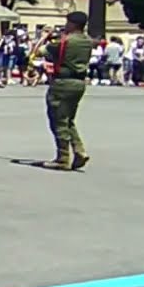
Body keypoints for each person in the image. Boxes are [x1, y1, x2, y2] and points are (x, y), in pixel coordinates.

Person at [39, 11, 93, 171]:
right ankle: (79, 150)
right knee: (68, 119)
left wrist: (45, 36)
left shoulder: (65, 41)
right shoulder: (87, 41)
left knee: (58, 119)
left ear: (73, 24)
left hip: (62, 82)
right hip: (79, 82)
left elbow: (41, 51)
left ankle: (63, 158)